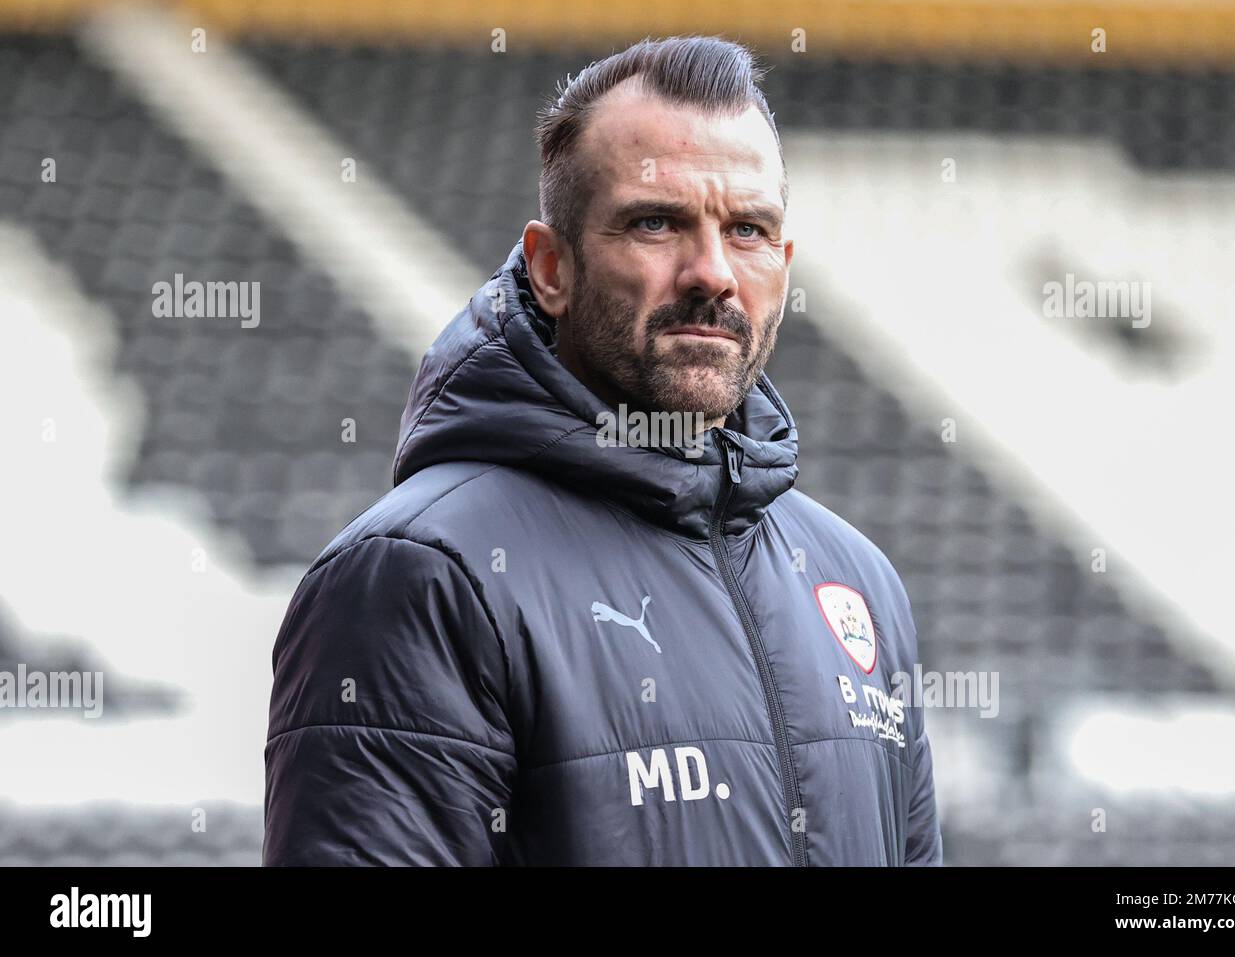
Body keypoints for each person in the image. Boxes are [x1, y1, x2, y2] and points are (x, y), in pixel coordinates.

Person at [262, 34, 941, 866]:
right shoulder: (421, 576)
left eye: (749, 229)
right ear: (551, 266)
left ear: (785, 266)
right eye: (655, 222)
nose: (712, 273)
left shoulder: (858, 582)